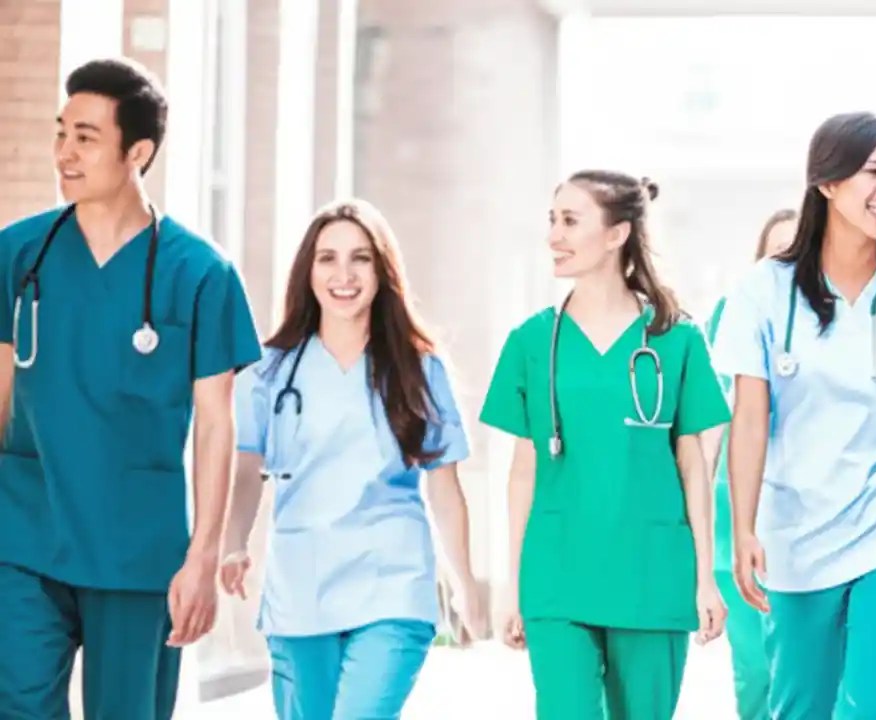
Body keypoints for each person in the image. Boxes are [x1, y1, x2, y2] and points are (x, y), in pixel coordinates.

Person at [0, 58, 260, 719]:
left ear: (136, 151)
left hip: (137, 547)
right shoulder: (18, 254)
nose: (64, 153)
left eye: (85, 137)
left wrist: (202, 556)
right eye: (61, 133)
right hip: (25, 533)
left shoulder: (200, 272)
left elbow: (214, 425)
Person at [711, 112, 876, 719]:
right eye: (872, 172)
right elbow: (749, 420)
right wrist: (743, 526)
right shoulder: (765, 291)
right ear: (826, 183)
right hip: (799, 525)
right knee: (800, 703)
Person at [217, 199, 483, 718]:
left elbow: (445, 488)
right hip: (301, 584)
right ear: (307, 272)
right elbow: (247, 471)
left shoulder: (420, 369)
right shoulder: (269, 372)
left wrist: (466, 582)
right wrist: (232, 544)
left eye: (360, 259)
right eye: (327, 259)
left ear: (383, 271)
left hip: (392, 583)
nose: (344, 274)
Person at [479, 170, 729, 719]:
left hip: (650, 571)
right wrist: (512, 583)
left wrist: (706, 577)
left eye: (570, 221)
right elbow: (523, 470)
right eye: (552, 220)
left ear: (617, 234)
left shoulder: (676, 338)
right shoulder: (532, 341)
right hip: (557, 572)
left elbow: (694, 464)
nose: (554, 235)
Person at [699, 206, 796, 720]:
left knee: (806, 675)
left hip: (807, 522)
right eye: (775, 253)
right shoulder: (728, 315)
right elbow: (710, 426)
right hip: (735, 521)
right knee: (755, 672)